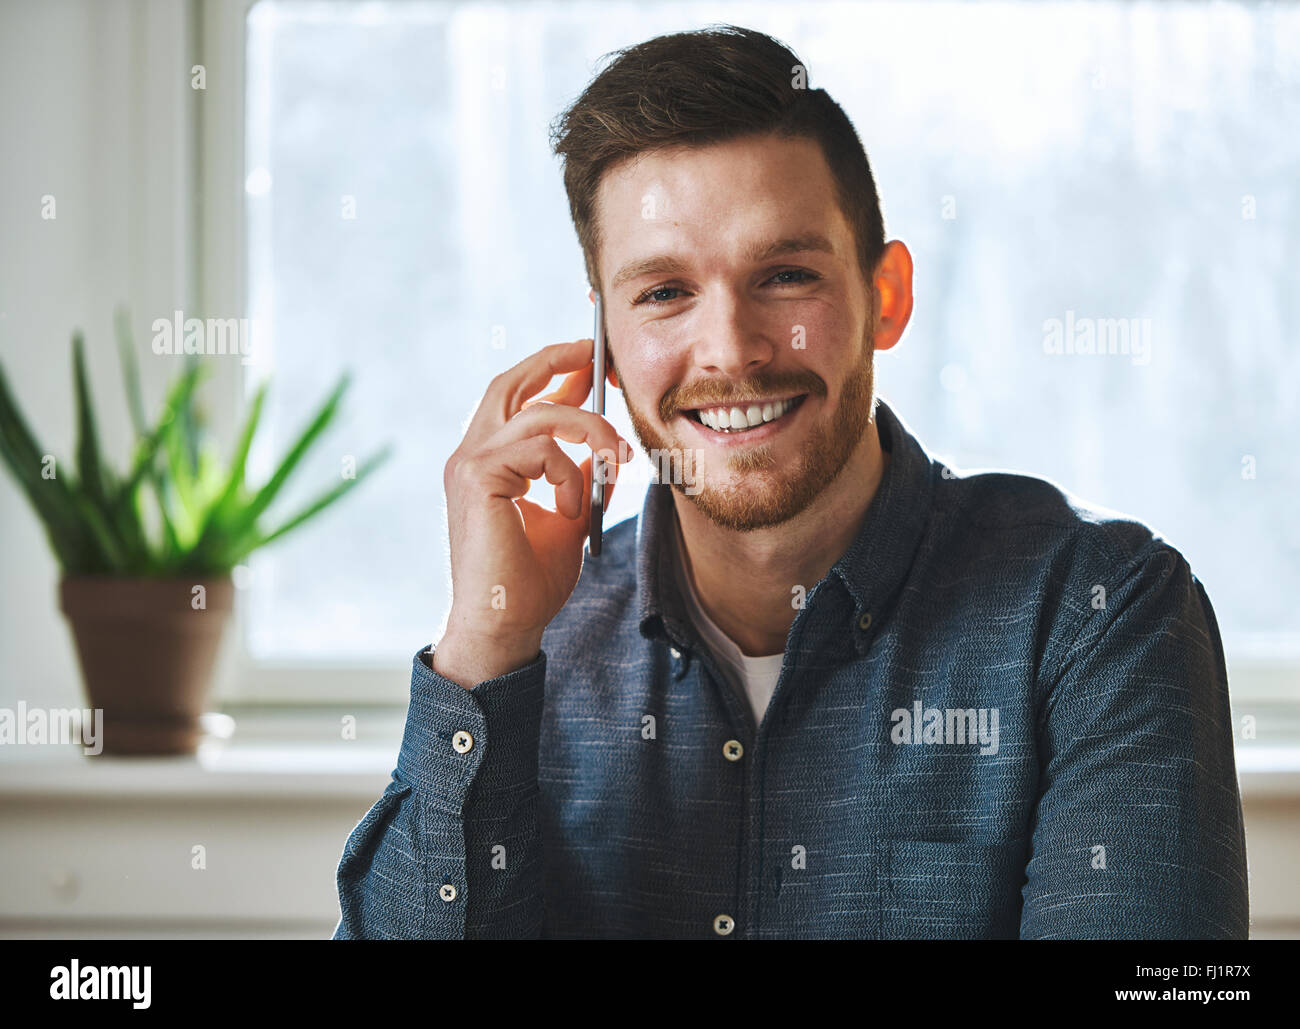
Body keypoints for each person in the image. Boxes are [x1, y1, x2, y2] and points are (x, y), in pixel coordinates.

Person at [333, 24, 1248, 939]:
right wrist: (487, 642)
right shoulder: (529, 646)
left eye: (785, 274)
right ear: (607, 339)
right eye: (663, 292)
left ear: (885, 297)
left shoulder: (1101, 615)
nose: (732, 349)